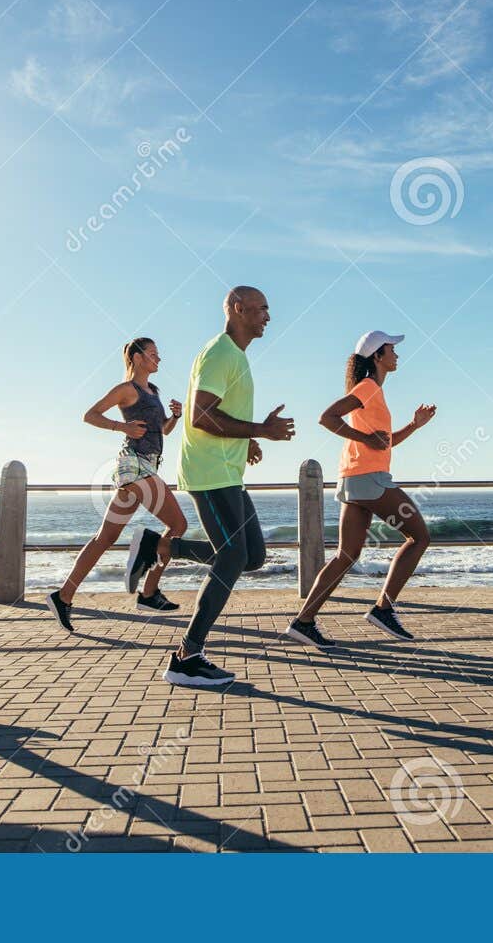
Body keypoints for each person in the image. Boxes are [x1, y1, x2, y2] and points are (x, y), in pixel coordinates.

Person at [157, 286, 294, 687]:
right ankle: (188, 656)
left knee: (251, 557)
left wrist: (247, 439)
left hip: (227, 471)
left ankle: (162, 547)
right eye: (262, 308)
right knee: (231, 557)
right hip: (209, 471)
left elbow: (219, 413)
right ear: (238, 309)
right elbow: (199, 417)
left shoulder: (234, 356)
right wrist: (261, 431)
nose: (268, 316)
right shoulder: (220, 353)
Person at [285, 331, 436, 648]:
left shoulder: (373, 392)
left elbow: (384, 442)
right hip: (370, 479)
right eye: (392, 349)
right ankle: (384, 609)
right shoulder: (367, 388)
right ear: (377, 357)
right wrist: (365, 439)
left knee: (346, 555)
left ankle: (304, 621)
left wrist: (414, 425)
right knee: (419, 536)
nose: (397, 354)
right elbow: (327, 417)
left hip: (354, 480)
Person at [45, 337, 188, 631]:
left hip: (144, 464)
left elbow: (161, 430)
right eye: (152, 354)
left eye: (158, 354)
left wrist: (174, 417)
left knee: (104, 538)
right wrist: (121, 427)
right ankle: (148, 592)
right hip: (134, 464)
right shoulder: (127, 389)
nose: (158, 359)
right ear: (136, 358)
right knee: (178, 526)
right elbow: (90, 415)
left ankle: (63, 596)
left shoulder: (153, 391)